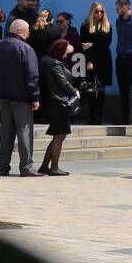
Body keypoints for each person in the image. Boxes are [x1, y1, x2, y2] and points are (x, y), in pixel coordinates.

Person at [0, 19, 43, 177]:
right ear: (21, 31)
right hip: (22, 97)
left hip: (3, 97)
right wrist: (35, 97)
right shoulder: (26, 48)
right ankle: (26, 167)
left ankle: (3, 167)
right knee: (24, 132)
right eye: (27, 30)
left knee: (5, 132)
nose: (29, 33)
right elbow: (32, 75)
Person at [39, 39, 80, 176]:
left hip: (54, 102)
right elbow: (63, 82)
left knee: (58, 135)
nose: (66, 56)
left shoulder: (47, 61)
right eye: (65, 53)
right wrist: (75, 92)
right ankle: (54, 167)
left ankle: (45, 166)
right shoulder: (54, 64)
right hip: (58, 103)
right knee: (60, 135)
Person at [80, 2, 113, 124]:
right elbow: (83, 46)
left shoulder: (107, 26)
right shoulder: (85, 26)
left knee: (101, 89)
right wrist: (88, 61)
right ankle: (92, 116)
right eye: (97, 11)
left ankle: (99, 116)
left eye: (101, 11)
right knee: (90, 89)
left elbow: (106, 44)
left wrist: (92, 44)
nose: (99, 14)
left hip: (104, 60)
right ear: (92, 12)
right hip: (91, 60)